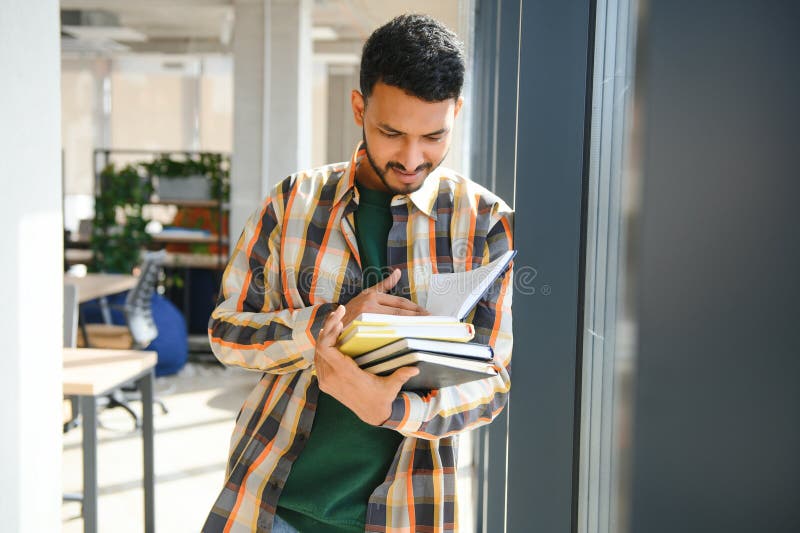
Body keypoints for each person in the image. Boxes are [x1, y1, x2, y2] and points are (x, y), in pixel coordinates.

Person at [203, 14, 514, 533]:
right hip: (268, 504)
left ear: (457, 112)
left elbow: (493, 383)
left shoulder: (485, 224)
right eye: (391, 132)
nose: (412, 157)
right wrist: (329, 324)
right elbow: (226, 333)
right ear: (358, 107)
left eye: (434, 136)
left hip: (405, 514)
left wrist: (394, 411)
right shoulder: (292, 202)